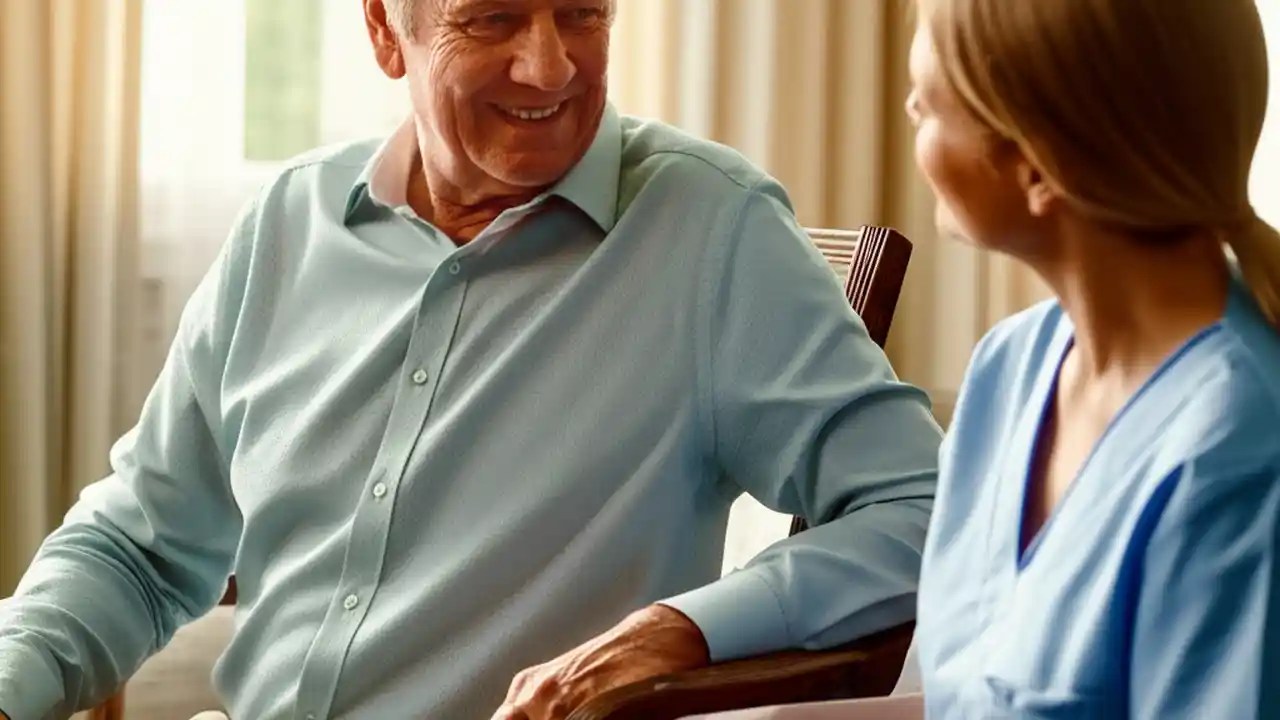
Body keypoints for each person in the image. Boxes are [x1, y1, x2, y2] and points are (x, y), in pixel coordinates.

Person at [0, 1, 943, 719]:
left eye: (582, 12)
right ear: (383, 29)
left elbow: (927, 512)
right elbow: (142, 544)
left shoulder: (712, 232)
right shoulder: (291, 221)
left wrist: (684, 630)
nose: (550, 65)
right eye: (491, 18)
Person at [688, 0, 1280, 718]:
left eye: (930, 104)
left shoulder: (1238, 453)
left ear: (1040, 164)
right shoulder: (1013, 367)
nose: (908, 111)